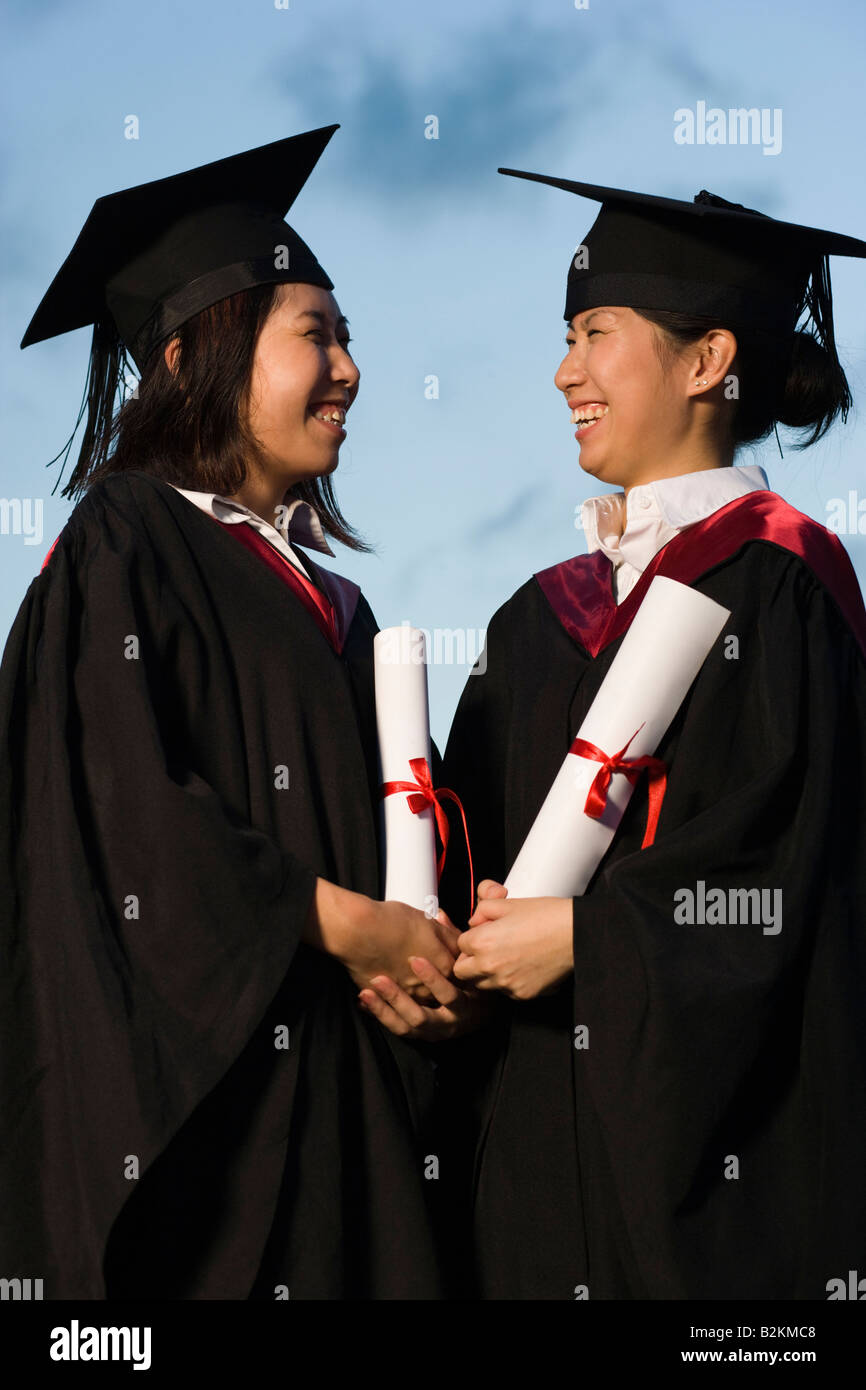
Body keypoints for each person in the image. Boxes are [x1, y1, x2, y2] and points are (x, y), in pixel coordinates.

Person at [360, 174, 866, 1299]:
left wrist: (591, 939)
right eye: (563, 336)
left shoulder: (781, 588)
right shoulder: (535, 619)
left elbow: (791, 879)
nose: (563, 371)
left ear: (702, 363)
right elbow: (472, 866)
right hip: (531, 1188)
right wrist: (435, 966)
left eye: (594, 333)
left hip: (717, 1208)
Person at [0, 125, 463, 1300]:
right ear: (190, 353)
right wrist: (344, 925)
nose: (350, 367)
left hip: (354, 1120)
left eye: (348, 336)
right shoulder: (123, 544)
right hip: (221, 1141)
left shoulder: (340, 605)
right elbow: (121, 820)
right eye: (317, 333)